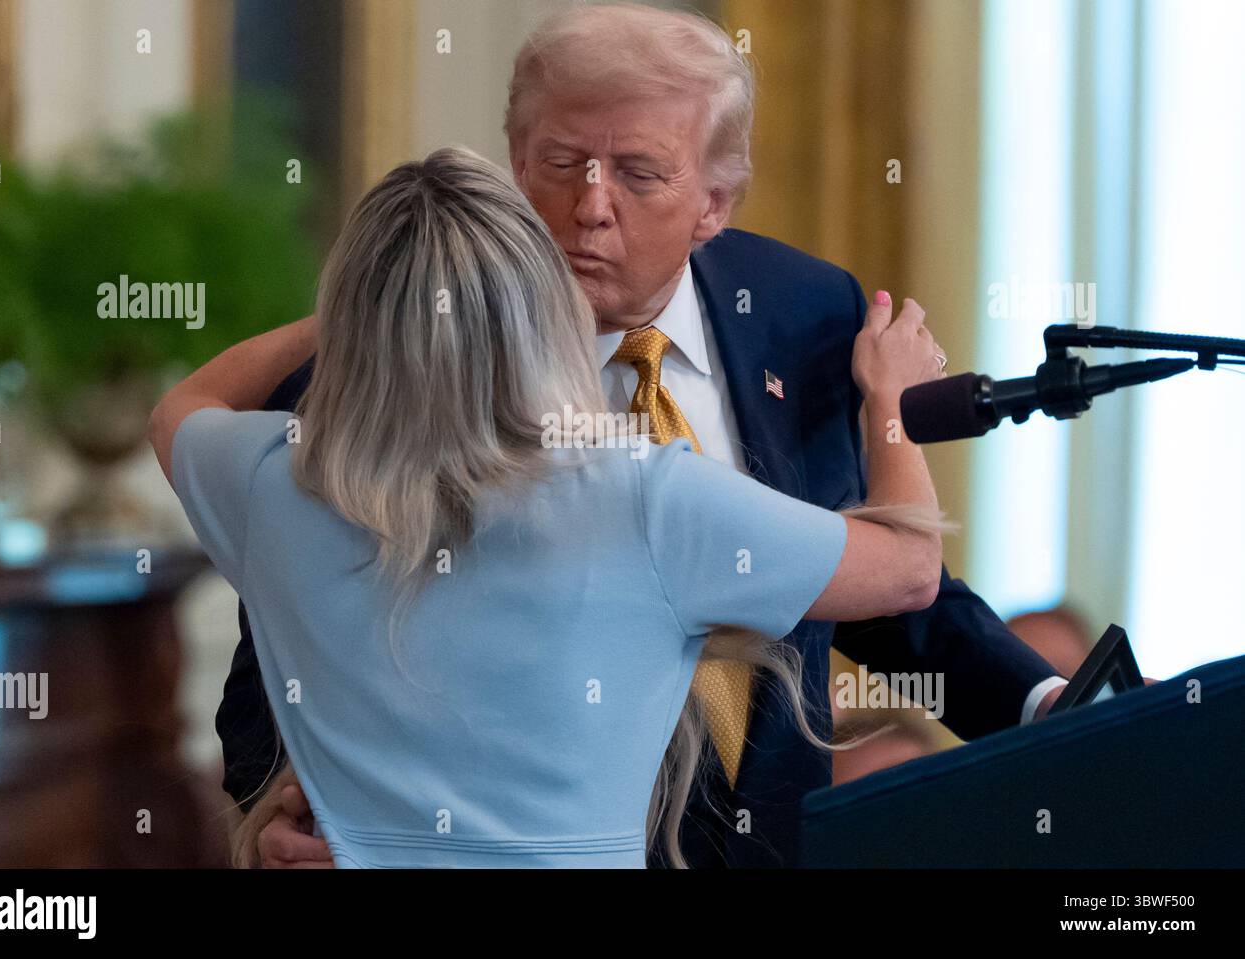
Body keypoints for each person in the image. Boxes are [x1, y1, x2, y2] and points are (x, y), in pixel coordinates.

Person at [222, 3, 1067, 869]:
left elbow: (858, 574)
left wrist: (1052, 705)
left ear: (714, 202)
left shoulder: (804, 313)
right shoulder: (402, 352)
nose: (591, 206)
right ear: (516, 162)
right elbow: (276, 666)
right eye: (561, 163)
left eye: (638, 174)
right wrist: (286, 810)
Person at [151, 146, 947, 867]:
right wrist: (892, 403)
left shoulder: (272, 481)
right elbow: (909, 570)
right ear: (536, 309)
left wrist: (383, 300)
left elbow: (187, 401)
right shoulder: (645, 495)